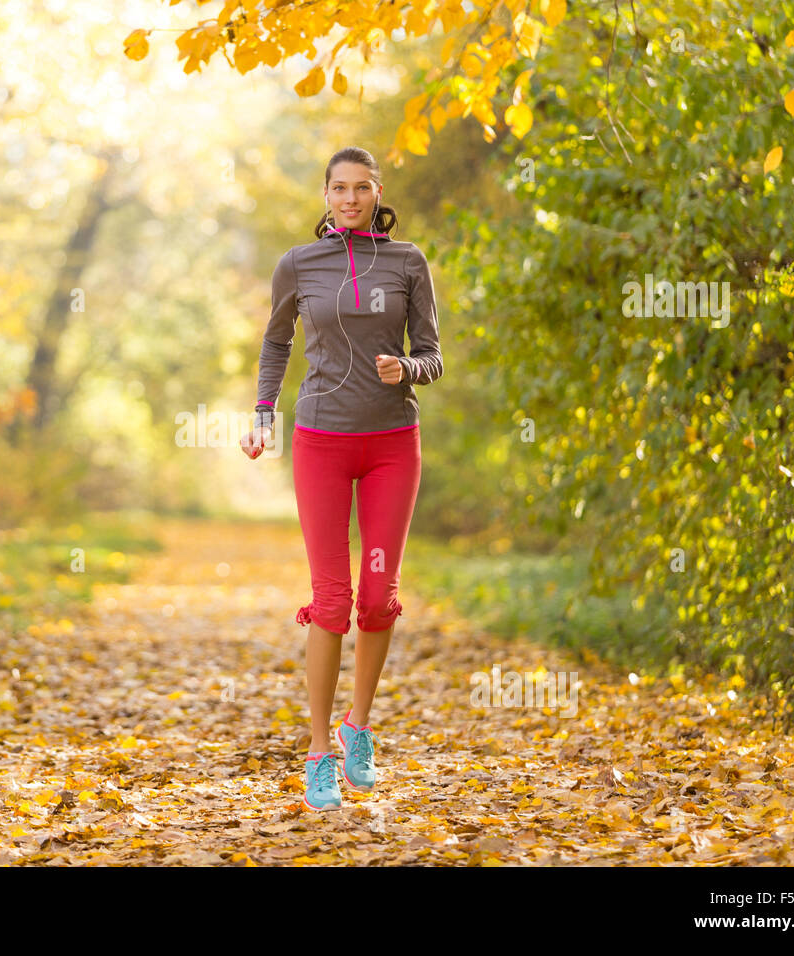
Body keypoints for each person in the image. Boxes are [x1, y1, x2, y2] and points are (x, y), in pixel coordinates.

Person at [239, 146, 443, 812]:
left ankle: (359, 728)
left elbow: (433, 354)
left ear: (377, 192)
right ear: (325, 195)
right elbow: (276, 342)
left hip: (392, 445)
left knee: (378, 597)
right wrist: (264, 412)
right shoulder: (299, 263)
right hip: (322, 440)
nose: (350, 198)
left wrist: (407, 370)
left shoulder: (409, 262)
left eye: (361, 187)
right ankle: (318, 752)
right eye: (338, 188)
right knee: (331, 600)